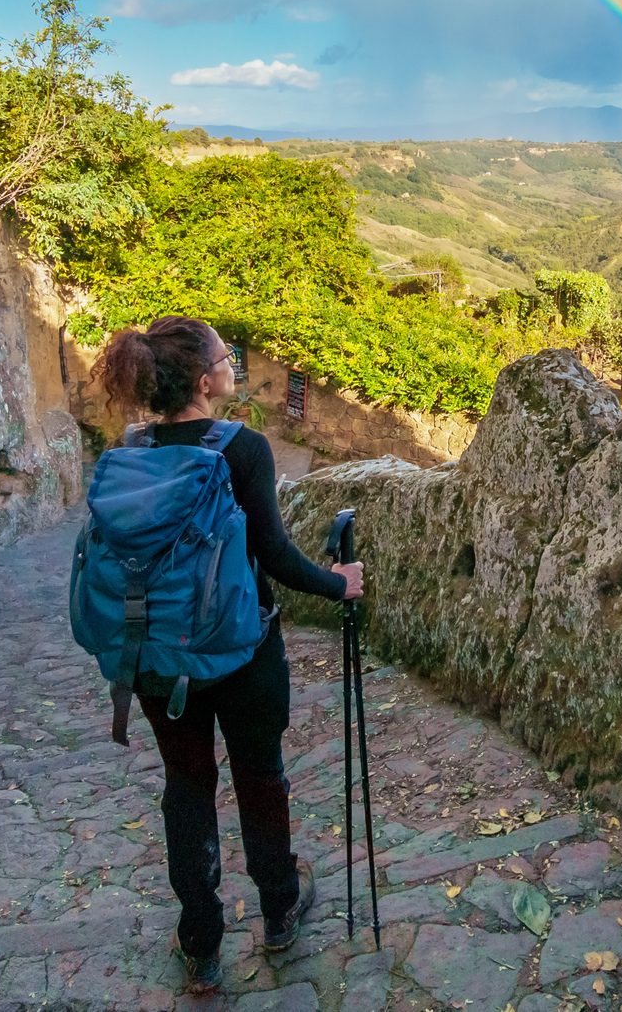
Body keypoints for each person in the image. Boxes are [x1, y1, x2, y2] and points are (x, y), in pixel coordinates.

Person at [90, 315, 365, 993]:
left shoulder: (129, 451)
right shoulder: (241, 449)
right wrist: (340, 583)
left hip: (156, 662)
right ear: (206, 378)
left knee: (186, 788)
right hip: (242, 653)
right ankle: (278, 910)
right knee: (260, 777)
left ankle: (202, 943)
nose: (232, 361)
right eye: (225, 354)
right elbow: (272, 554)